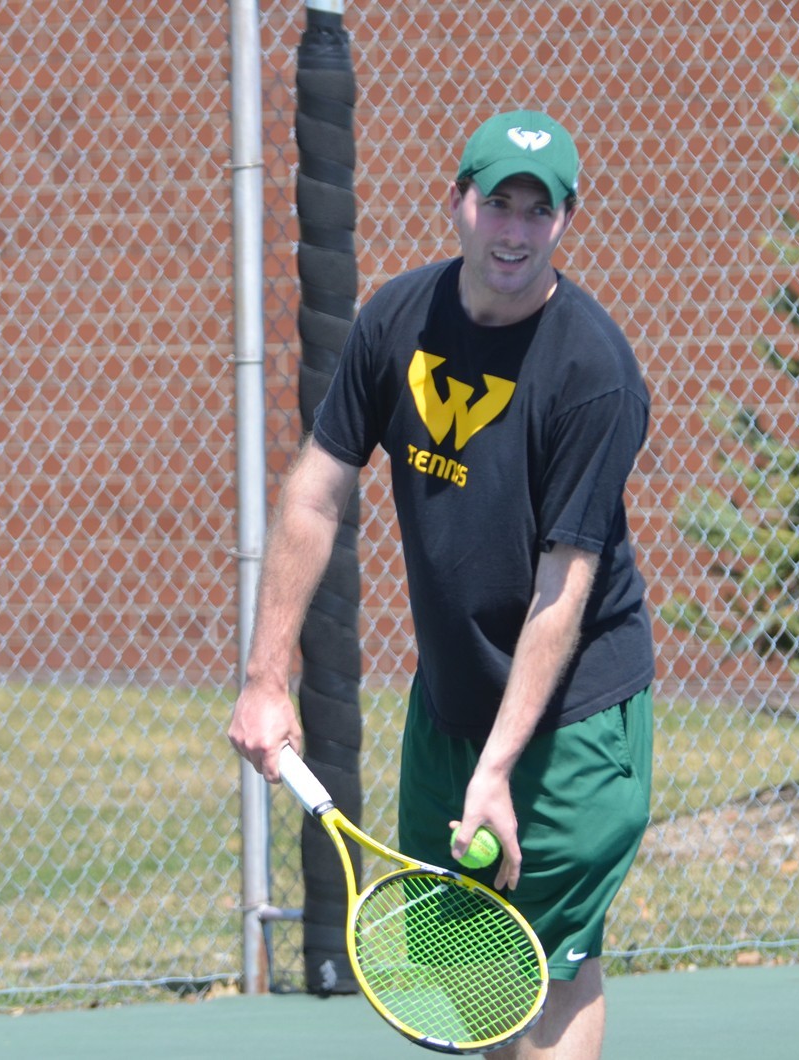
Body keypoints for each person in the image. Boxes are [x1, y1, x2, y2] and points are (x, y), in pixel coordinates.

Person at [230, 109, 655, 1060]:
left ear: (564, 222)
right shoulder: (398, 320)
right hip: (452, 701)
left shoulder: (595, 374)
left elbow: (563, 590)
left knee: (540, 958)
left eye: (535, 211)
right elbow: (315, 495)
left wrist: (498, 771)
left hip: (575, 718)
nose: (513, 230)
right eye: (495, 202)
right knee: (469, 971)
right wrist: (265, 676)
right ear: (455, 204)